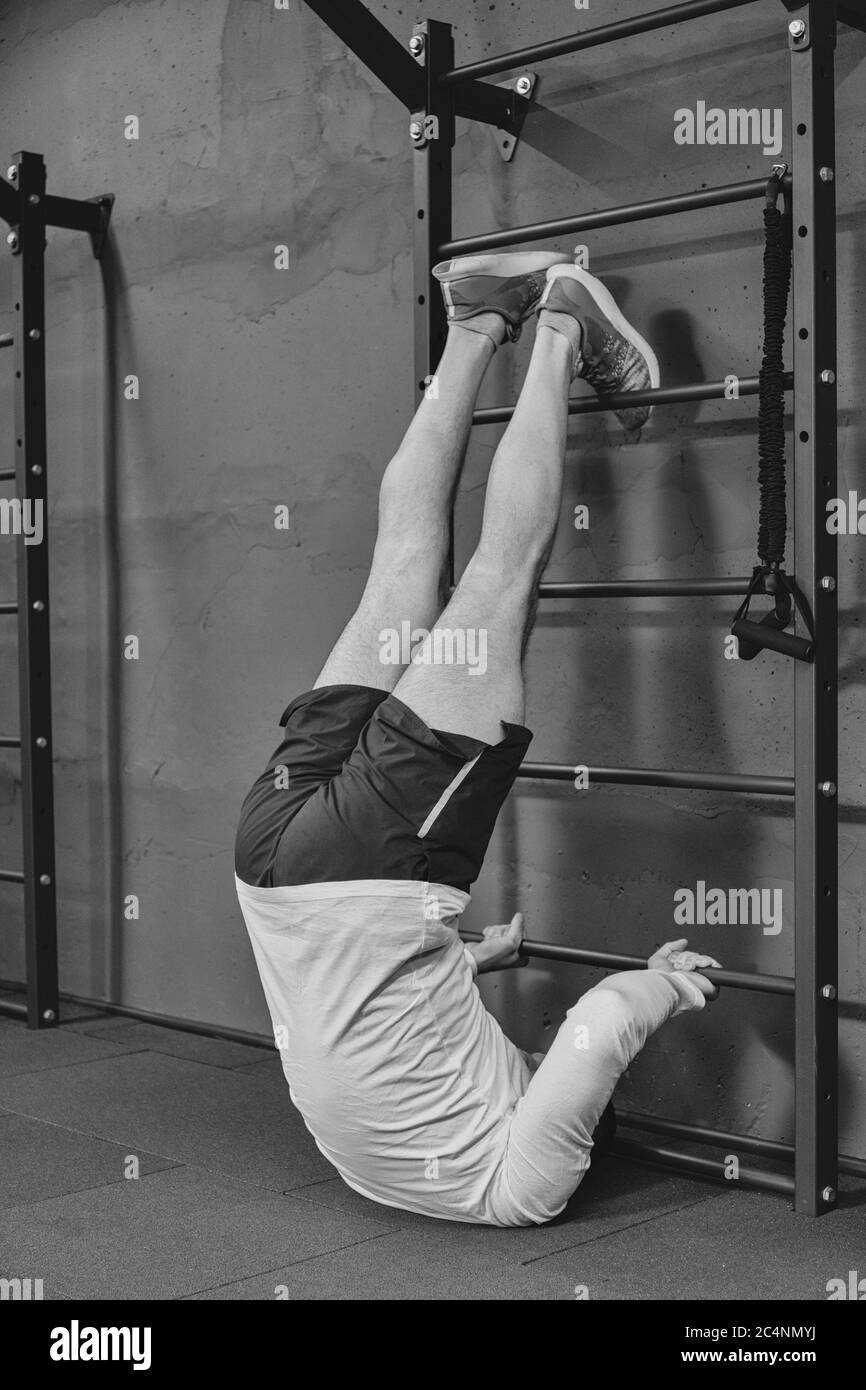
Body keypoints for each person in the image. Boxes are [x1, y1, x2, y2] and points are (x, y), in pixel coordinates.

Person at [234, 253, 722, 1227]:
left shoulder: (522, 1190)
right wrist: (469, 962)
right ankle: (475, 326)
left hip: (369, 871)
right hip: (266, 862)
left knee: (500, 575)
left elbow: (591, 1035)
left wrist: (665, 989)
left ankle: (557, 325)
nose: (537, 1067)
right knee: (403, 567)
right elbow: (357, 1049)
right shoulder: (380, 1170)